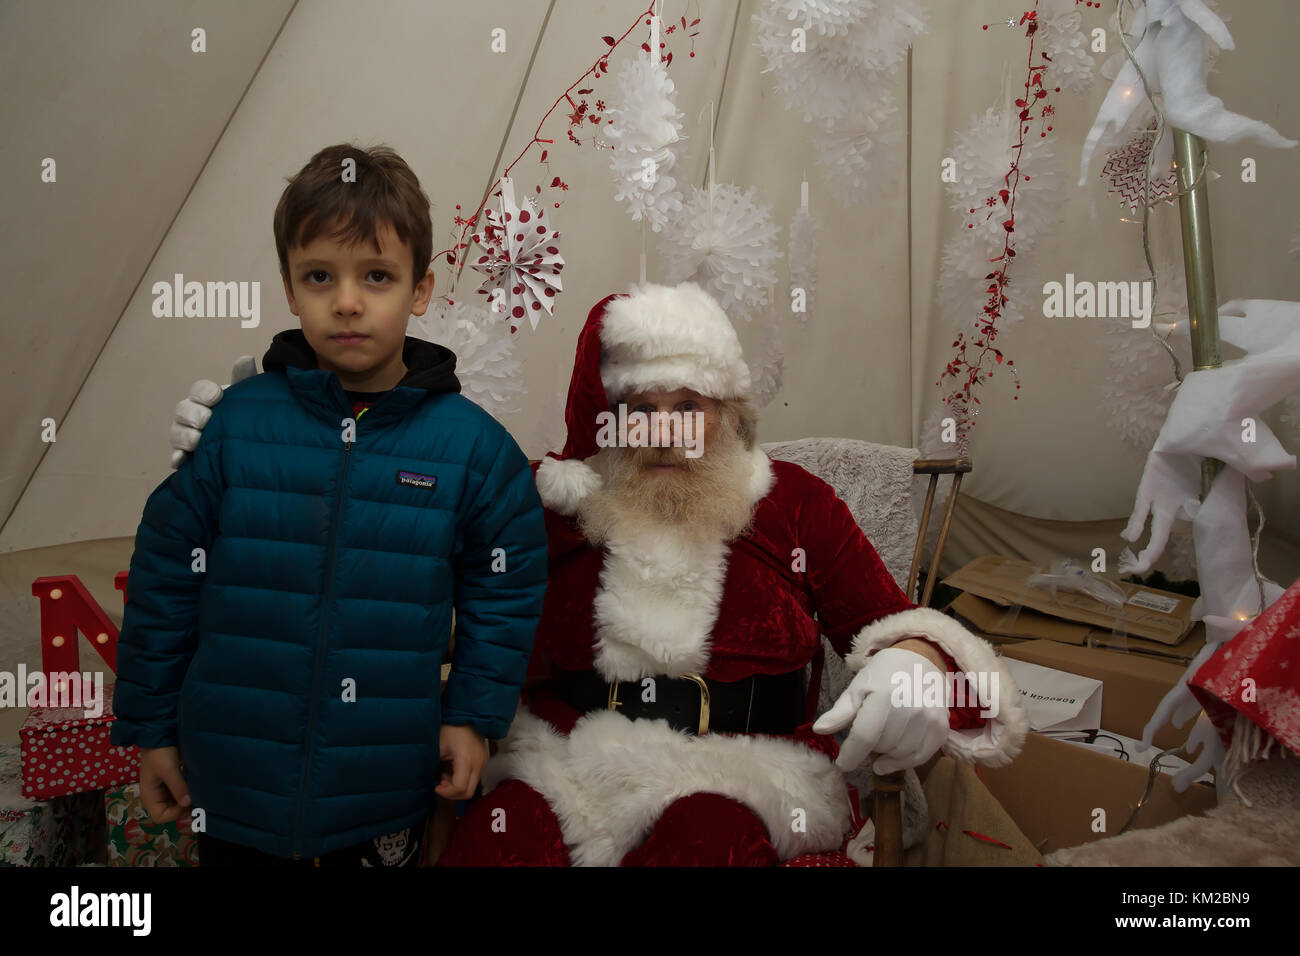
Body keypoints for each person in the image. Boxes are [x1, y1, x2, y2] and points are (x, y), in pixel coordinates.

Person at [170, 279, 1030, 866]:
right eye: (637, 412)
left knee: (704, 838)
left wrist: (919, 667)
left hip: (746, 768)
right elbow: (389, 565)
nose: (661, 434)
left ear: (727, 411)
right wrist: (260, 463)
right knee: (501, 841)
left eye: (685, 409)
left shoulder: (793, 505)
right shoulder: (549, 506)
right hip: (561, 760)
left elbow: (898, 624)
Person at [109, 143, 548, 867]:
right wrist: (152, 729)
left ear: (421, 289)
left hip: (382, 791)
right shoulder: (233, 426)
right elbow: (165, 582)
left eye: (376, 276)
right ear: (288, 288)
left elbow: (507, 587)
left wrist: (473, 717)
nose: (347, 301)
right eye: (320, 276)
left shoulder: (472, 449)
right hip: (234, 786)